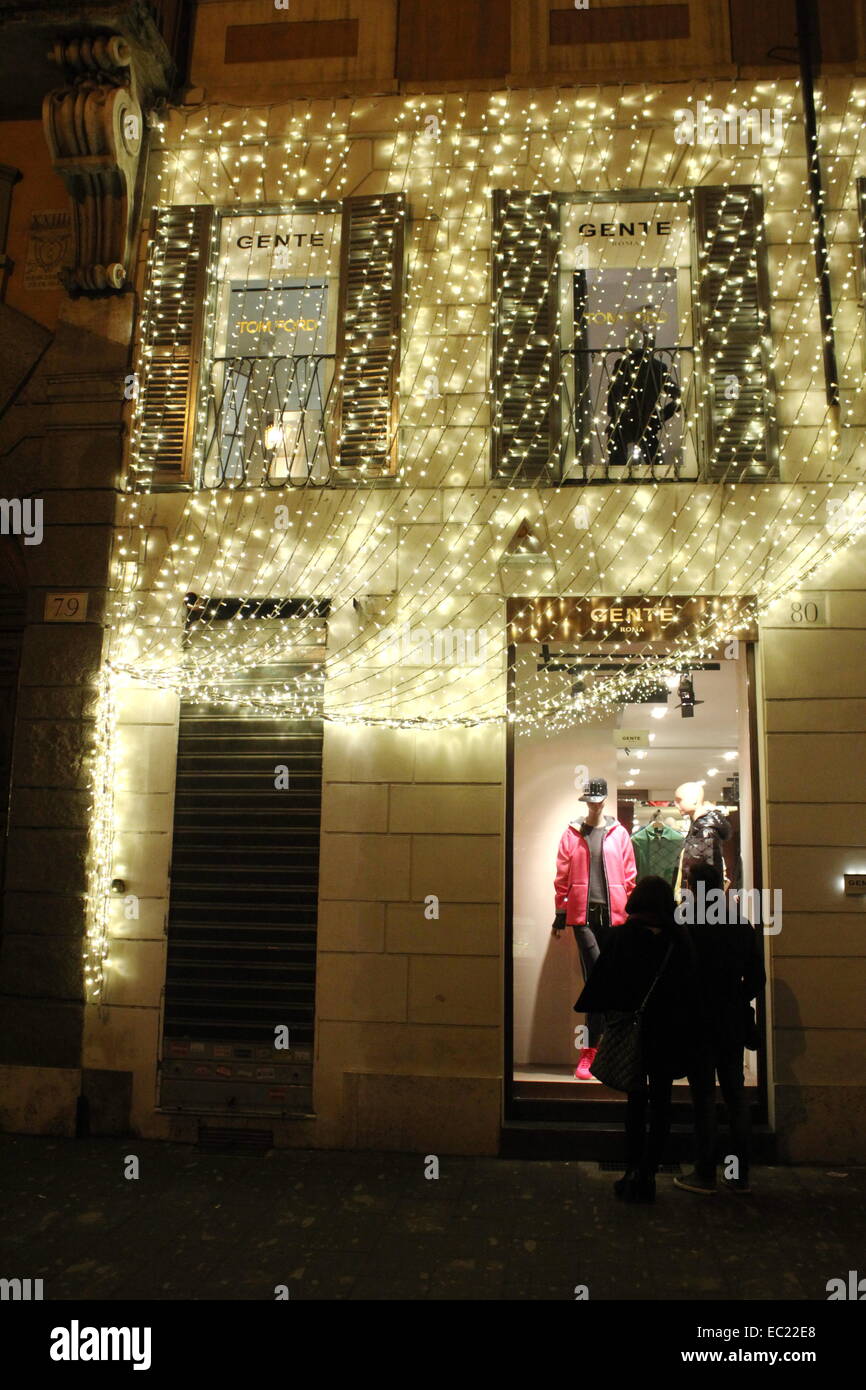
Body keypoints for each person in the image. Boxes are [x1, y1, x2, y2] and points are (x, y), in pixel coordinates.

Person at [575, 875, 699, 1203]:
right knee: (661, 1104)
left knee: (635, 1100)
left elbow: (602, 984)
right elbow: (689, 989)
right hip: (667, 1033)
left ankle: (631, 1170)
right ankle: (649, 1173)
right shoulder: (679, 939)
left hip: (633, 1032)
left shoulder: (620, 938)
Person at [674, 862, 766, 1196]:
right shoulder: (740, 924)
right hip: (730, 1019)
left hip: (697, 1019)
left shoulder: (684, 920)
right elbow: (757, 978)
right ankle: (739, 1175)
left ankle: (704, 1173)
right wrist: (735, 999)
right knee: (735, 1095)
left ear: (693, 886)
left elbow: (675, 973)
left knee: (704, 1097)